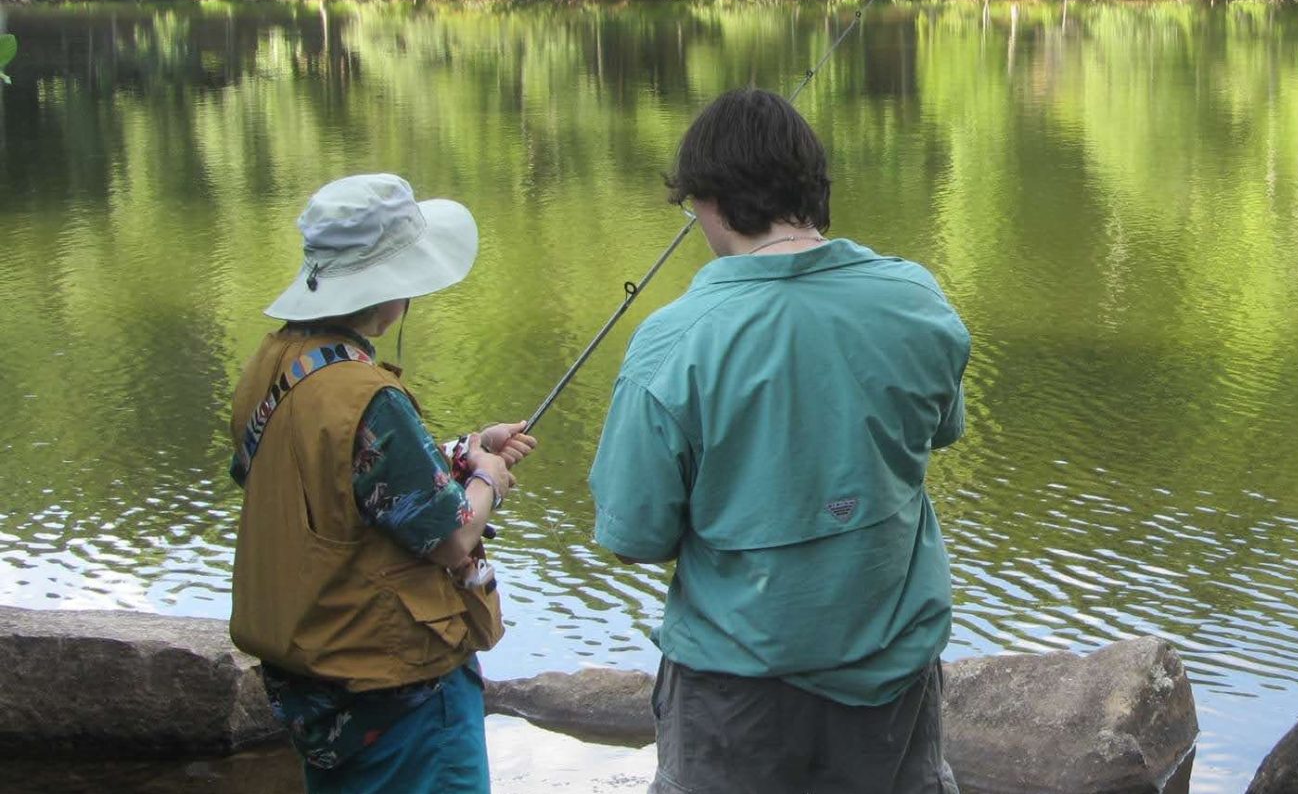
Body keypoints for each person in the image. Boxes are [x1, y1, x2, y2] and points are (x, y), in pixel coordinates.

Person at [589, 88, 971, 794]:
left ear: (707, 200)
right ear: (814, 189)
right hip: (892, 679)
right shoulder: (918, 302)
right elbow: (940, 431)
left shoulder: (671, 343)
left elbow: (635, 534)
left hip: (733, 695)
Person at [227, 172, 536, 793]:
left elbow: (332, 479)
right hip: (399, 687)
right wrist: (490, 479)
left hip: (318, 679)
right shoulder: (368, 395)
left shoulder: (273, 362)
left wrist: (457, 451)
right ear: (389, 288)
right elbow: (451, 538)